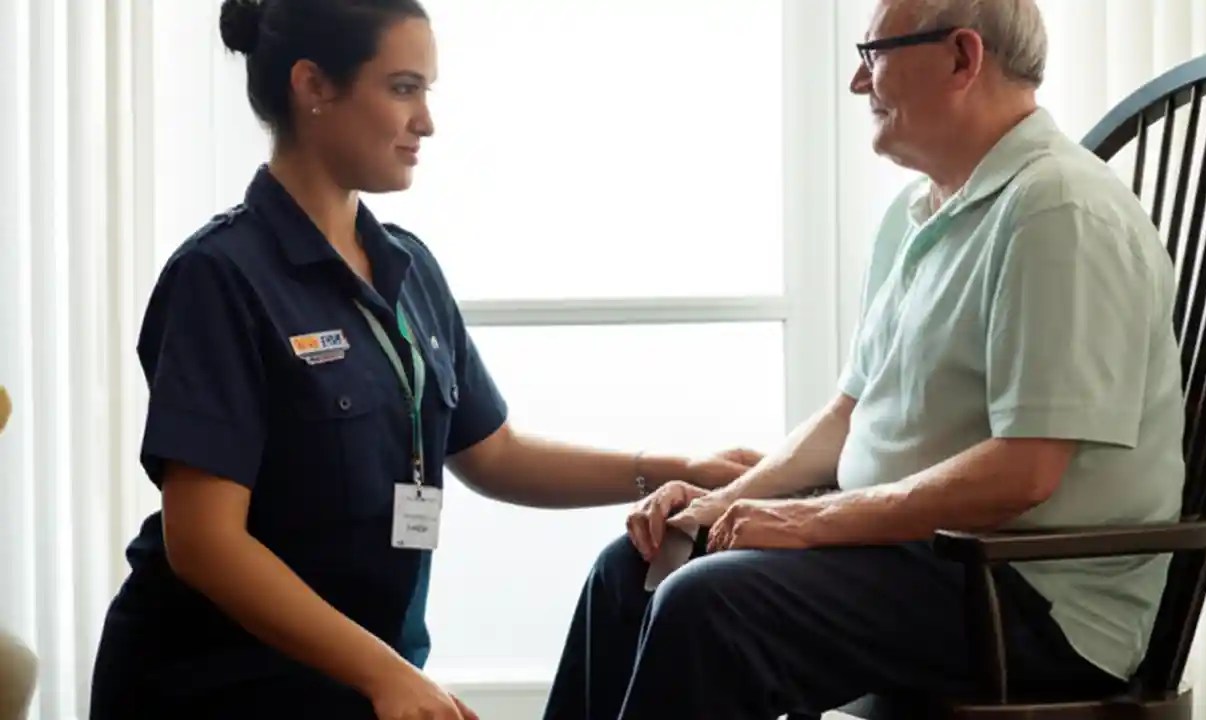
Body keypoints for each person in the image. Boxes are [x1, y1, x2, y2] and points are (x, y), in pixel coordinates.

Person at [87, 1, 761, 718]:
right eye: (403, 88)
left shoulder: (408, 268)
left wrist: (673, 470)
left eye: (426, 92)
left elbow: (493, 452)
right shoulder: (220, 277)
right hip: (219, 686)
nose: (427, 122)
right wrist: (388, 676)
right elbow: (204, 542)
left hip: (359, 680)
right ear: (313, 85)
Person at [542, 0, 1187, 718]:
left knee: (709, 605)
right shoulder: (919, 214)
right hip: (921, 557)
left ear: (962, 57)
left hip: (1030, 595)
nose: (857, 81)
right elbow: (849, 414)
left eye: (874, 54)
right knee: (631, 569)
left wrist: (810, 521)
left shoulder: (1058, 210)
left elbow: (1024, 471)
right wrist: (721, 503)